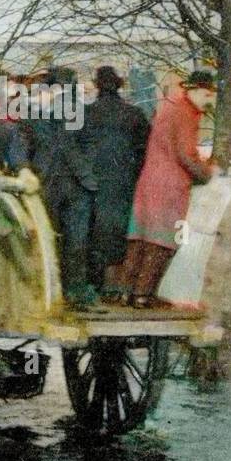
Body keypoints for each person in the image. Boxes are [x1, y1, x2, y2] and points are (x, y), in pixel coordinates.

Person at [118, 69, 219, 308]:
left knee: (140, 239)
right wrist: (206, 173)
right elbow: (186, 153)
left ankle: (127, 292)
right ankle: (144, 295)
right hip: (170, 185)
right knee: (162, 241)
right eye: (206, 94)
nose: (209, 101)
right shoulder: (186, 113)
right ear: (193, 91)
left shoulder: (169, 106)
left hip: (149, 181)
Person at [28, 66, 99, 307]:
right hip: (69, 183)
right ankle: (71, 289)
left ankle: (52, 290)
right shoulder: (63, 107)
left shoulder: (38, 109)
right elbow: (68, 146)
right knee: (73, 241)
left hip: (53, 182)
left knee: (53, 240)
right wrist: (87, 176)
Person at [83, 66, 151, 300]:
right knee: (118, 232)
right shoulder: (135, 115)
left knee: (93, 231)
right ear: (120, 85)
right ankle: (115, 286)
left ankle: (96, 286)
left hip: (91, 182)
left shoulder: (85, 114)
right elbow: (145, 152)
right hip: (124, 182)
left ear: (96, 85)